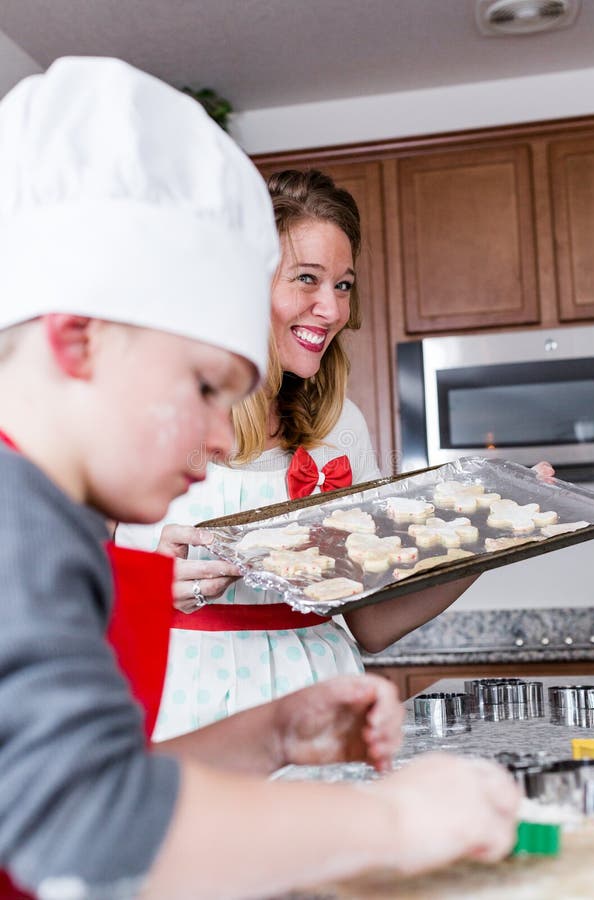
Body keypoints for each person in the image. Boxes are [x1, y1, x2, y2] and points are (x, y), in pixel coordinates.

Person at [0, 57, 521, 899]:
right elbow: (88, 824)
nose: (218, 438)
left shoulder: (41, 512)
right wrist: (400, 821)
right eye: (205, 386)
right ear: (77, 338)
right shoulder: (15, 524)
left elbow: (65, 782)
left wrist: (274, 732)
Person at [117, 170, 554, 741]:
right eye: (307, 279)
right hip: (184, 699)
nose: (331, 308)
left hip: (322, 698)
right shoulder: (143, 412)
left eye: (343, 285)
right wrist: (145, 586)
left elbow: (370, 623)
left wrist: (488, 543)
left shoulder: (341, 423)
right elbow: (48, 592)